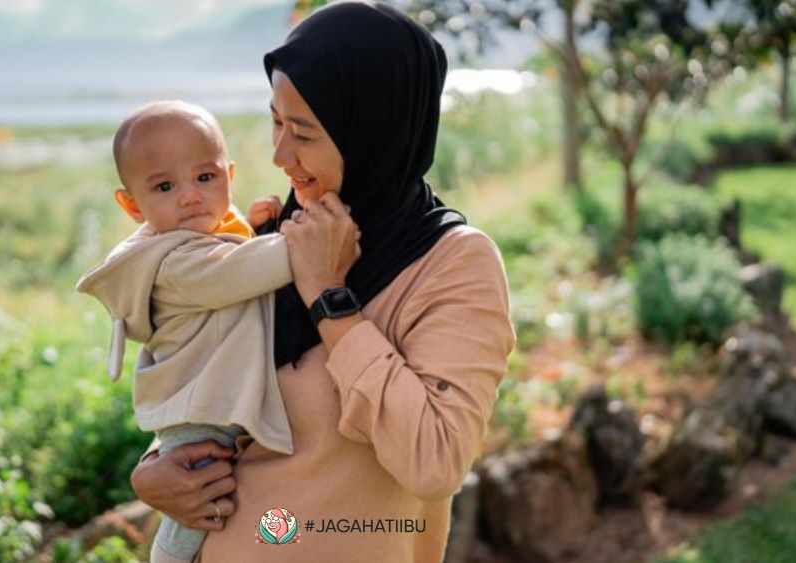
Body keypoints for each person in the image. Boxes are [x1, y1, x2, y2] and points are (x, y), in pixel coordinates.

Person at [129, 2, 516, 562]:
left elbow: (434, 461)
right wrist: (154, 472)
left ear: (373, 128)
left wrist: (330, 299)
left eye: (304, 133)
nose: (280, 154)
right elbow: (212, 388)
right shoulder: (281, 235)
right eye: (276, 122)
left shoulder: (454, 264)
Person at [76, 100, 301, 563]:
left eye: (205, 177)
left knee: (212, 507)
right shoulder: (174, 263)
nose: (191, 196)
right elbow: (238, 273)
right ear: (132, 204)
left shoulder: (200, 236)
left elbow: (233, 259)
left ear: (228, 176)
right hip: (201, 417)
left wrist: (259, 230)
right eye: (165, 186)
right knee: (194, 512)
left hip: (209, 405)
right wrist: (300, 237)